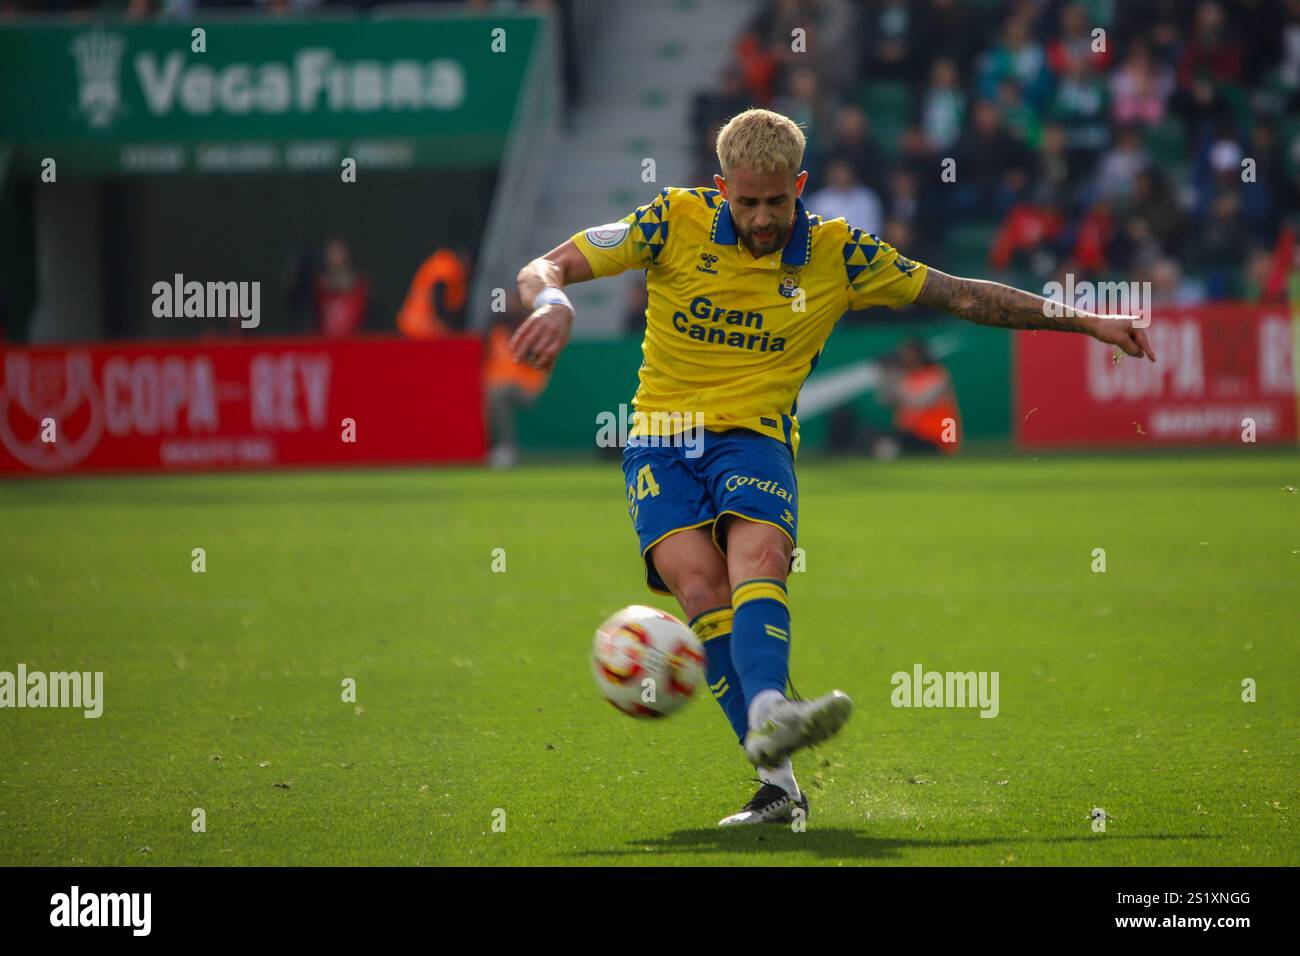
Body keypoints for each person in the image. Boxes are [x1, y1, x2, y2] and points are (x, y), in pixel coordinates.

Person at [511, 108, 1154, 828]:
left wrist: (1085, 320)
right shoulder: (672, 219)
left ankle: (769, 709)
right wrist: (557, 298)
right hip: (659, 437)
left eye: (776, 201)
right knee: (698, 586)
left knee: (763, 554)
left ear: (801, 186)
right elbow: (546, 265)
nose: (760, 217)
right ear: (722, 187)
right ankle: (780, 786)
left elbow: (961, 294)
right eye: (746, 201)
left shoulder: (839, 253)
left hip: (754, 437)